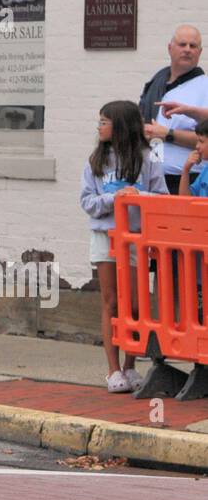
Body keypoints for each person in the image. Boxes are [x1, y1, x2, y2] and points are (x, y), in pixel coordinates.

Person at [81, 100, 168, 393]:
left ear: (120, 126)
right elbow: (88, 202)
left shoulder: (147, 157)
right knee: (111, 301)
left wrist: (137, 195)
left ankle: (131, 365)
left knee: (134, 303)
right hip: (106, 236)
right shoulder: (96, 161)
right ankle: (113, 369)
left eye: (104, 121)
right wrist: (114, 199)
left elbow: (161, 196)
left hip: (135, 238)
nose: (99, 127)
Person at [139, 26, 208, 194]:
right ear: (170, 48)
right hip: (154, 177)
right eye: (182, 44)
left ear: (200, 52)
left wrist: (168, 134)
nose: (187, 50)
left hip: (191, 180)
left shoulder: (204, 87)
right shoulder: (157, 82)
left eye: (193, 46)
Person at [181, 118, 208, 196]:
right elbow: (185, 201)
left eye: (201, 141)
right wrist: (186, 170)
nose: (197, 146)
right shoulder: (206, 170)